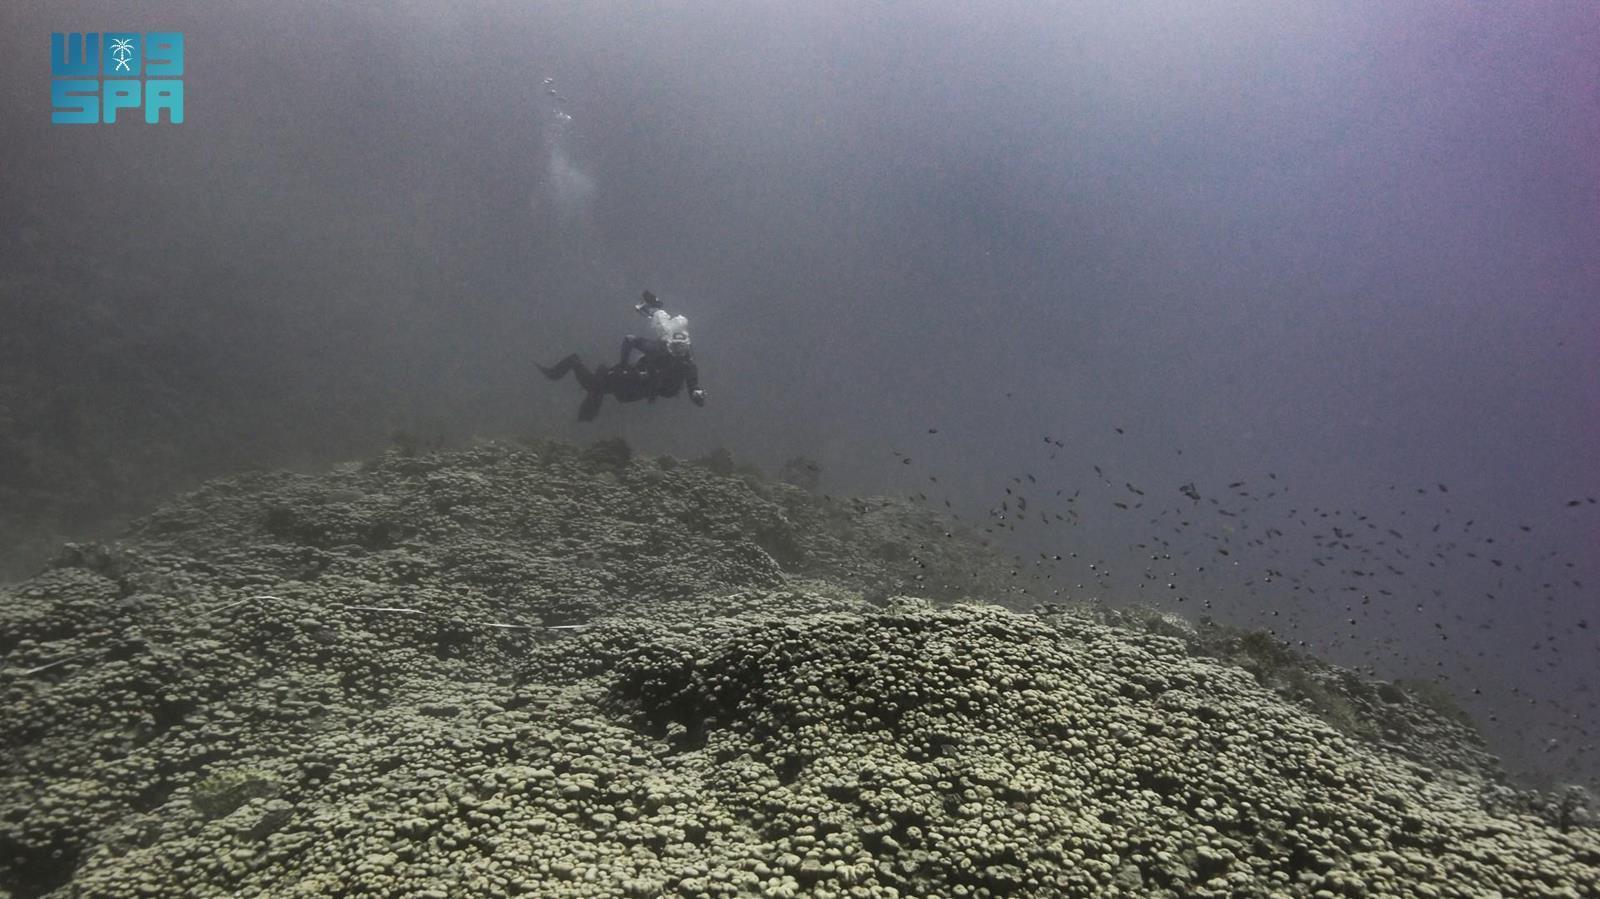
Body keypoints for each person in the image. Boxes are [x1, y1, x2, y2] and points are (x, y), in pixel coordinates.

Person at [539, 290, 706, 422]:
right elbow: (630, 340)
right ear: (670, 344)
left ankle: (585, 410)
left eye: (682, 347)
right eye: (676, 346)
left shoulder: (688, 366)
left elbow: (694, 388)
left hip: (639, 389)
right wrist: (624, 366)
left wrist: (698, 395)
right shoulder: (658, 349)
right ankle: (573, 363)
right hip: (630, 379)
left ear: (687, 346)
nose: (679, 351)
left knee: (600, 391)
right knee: (595, 387)